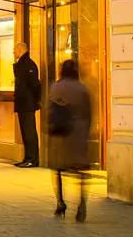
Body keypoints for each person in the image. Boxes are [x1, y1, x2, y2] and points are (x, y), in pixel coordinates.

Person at [49, 58, 93, 221]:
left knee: (58, 169)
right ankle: (82, 202)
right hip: (79, 131)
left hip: (61, 133)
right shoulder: (83, 89)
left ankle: (60, 202)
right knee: (81, 169)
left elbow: (50, 110)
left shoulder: (56, 87)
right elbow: (89, 113)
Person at [13, 42, 43, 168]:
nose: (13, 53)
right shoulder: (22, 64)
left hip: (27, 103)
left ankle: (32, 159)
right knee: (25, 131)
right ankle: (27, 157)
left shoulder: (28, 65)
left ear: (20, 50)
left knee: (29, 131)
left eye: (15, 50)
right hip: (23, 102)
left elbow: (35, 84)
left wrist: (36, 100)